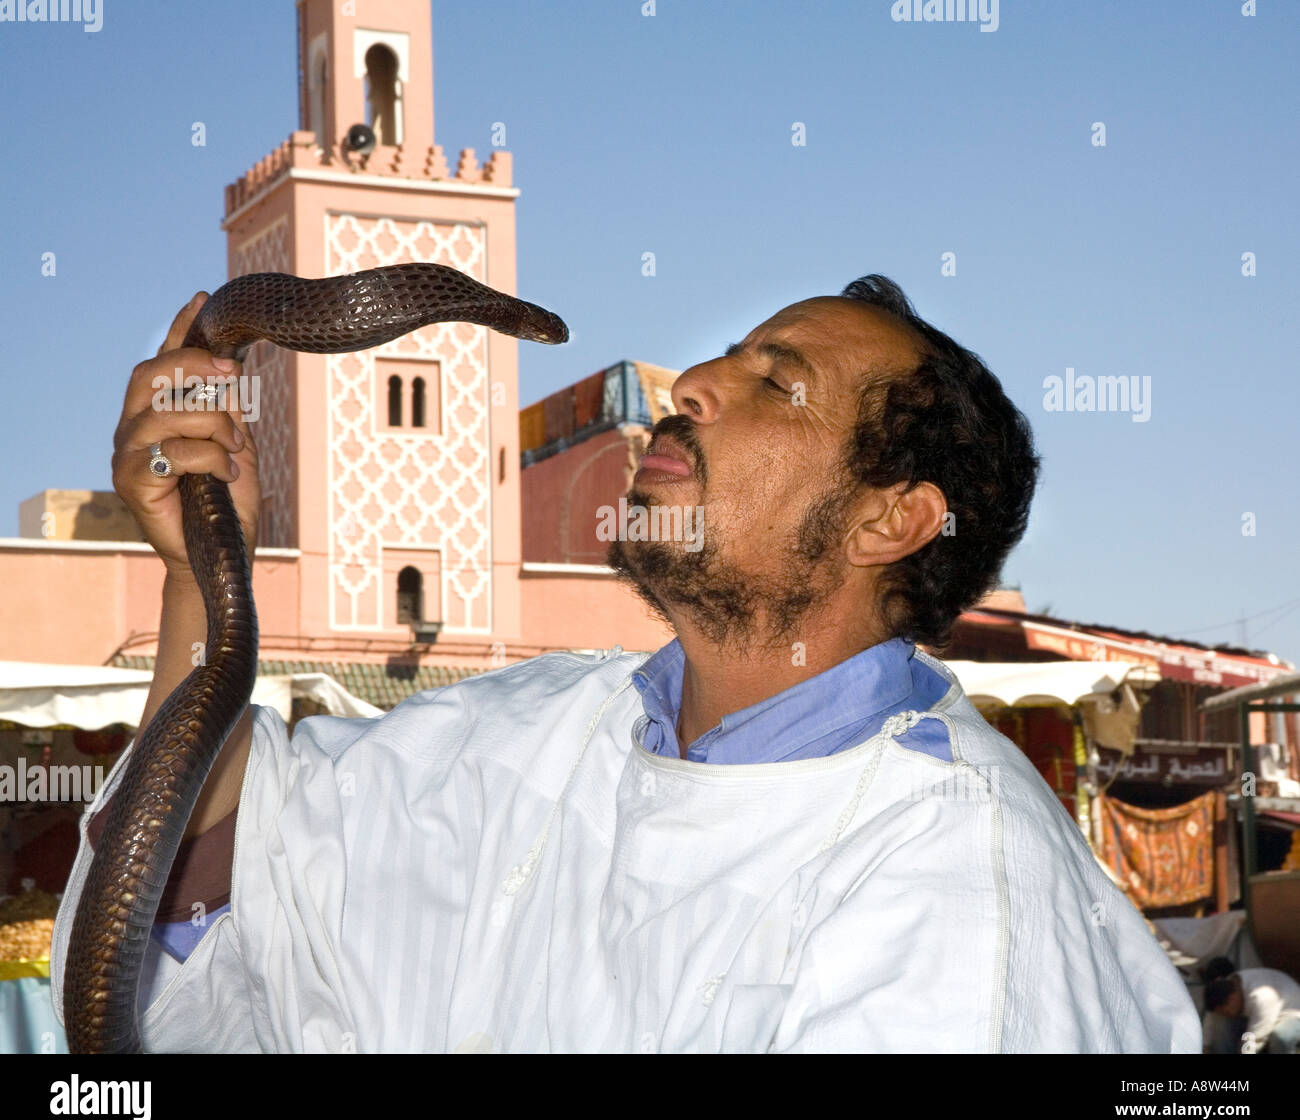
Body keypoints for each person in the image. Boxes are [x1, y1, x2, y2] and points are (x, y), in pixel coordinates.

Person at [52, 276, 1200, 1052]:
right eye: (726, 357)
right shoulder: (525, 728)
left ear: (889, 522)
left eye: (775, 382)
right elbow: (208, 902)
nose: (692, 380)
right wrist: (205, 572)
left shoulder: (958, 893)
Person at [1203, 959, 1300, 1054]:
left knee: (1281, 1037)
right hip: (1261, 1015)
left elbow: (1254, 1038)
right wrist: (1205, 1047)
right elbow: (1210, 1021)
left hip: (1292, 1014)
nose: (1226, 1015)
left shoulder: (1262, 997)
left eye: (1226, 1012)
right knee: (1221, 1023)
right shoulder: (1223, 988)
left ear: (1232, 999)